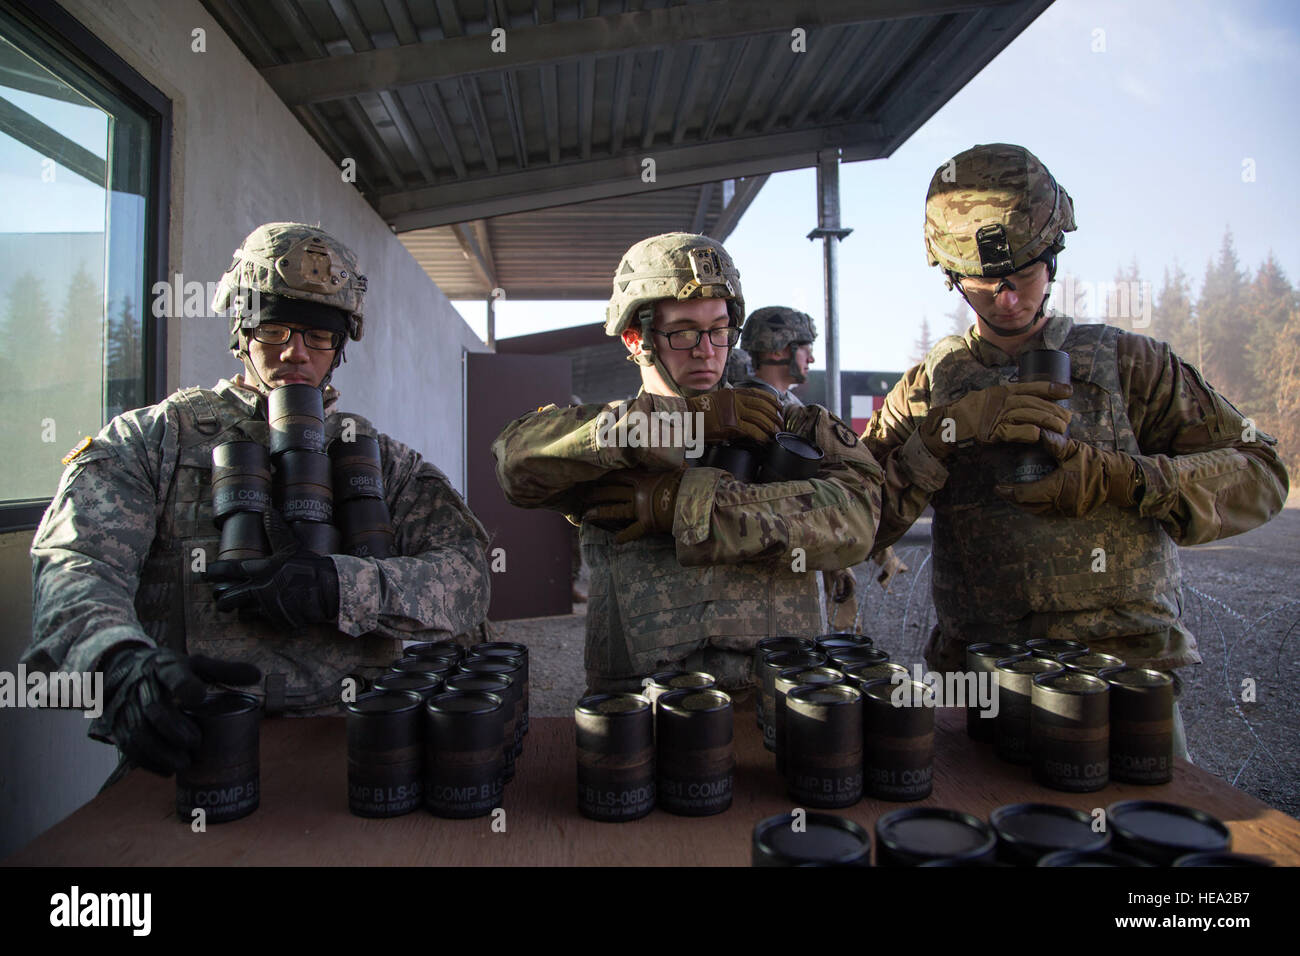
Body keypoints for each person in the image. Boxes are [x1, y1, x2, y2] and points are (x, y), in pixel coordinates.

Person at [863, 144, 1289, 752]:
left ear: (1054, 257)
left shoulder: (1129, 365)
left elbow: (1261, 474)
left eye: (1025, 274)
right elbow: (858, 523)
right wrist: (938, 437)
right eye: (984, 283)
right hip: (981, 686)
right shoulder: (926, 390)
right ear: (952, 276)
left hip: (1124, 682)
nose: (1006, 298)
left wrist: (1122, 479)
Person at [25, 222, 491, 776]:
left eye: (318, 335)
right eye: (276, 329)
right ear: (242, 330)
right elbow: (75, 564)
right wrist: (118, 662)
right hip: (196, 746)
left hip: (360, 749)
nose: (296, 352)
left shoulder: (378, 461)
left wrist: (339, 585)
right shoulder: (154, 442)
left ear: (339, 346)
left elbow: (469, 575)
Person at [492, 233, 883, 694]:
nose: (706, 350)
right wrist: (682, 425)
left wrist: (677, 505)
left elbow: (859, 517)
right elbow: (515, 464)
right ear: (636, 337)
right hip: (639, 706)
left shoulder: (789, 425)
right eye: (683, 331)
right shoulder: (608, 435)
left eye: (719, 330)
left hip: (778, 695)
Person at [741, 306, 910, 619]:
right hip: (772, 578)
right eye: (806, 350)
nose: (812, 360)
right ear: (780, 350)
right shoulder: (758, 412)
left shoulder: (785, 407)